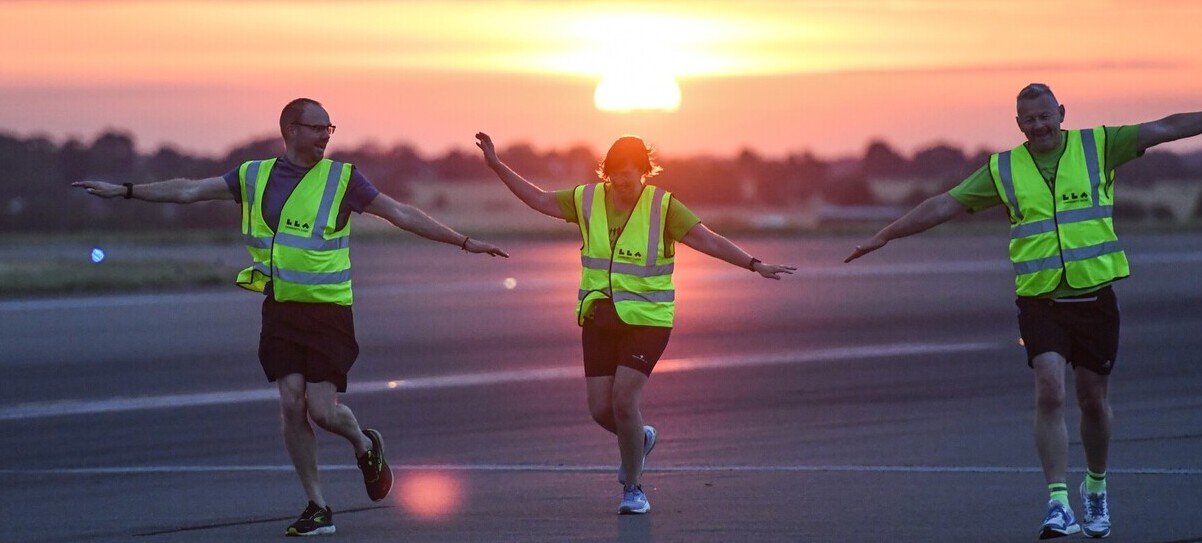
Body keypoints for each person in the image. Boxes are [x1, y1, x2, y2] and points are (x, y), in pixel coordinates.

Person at [843, 83, 1202, 539]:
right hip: (1040, 301)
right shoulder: (1004, 168)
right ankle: (1058, 502)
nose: (1039, 126)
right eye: (1028, 120)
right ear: (1018, 124)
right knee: (1049, 390)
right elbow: (944, 204)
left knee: (1093, 401)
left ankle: (1096, 486)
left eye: (1045, 116)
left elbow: (1164, 128)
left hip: (1095, 300)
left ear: (1061, 113)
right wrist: (885, 235)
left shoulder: (1099, 145)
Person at [73, 98, 509, 537]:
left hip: (329, 311)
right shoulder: (254, 175)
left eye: (329, 129)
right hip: (281, 307)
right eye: (318, 128)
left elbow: (399, 213)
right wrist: (126, 191)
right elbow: (189, 189)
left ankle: (363, 443)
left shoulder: (343, 179)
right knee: (289, 402)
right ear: (290, 130)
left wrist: (464, 241)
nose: (325, 136)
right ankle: (317, 505)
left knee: (322, 411)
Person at [475, 132, 795, 514]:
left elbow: (707, 240)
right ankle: (639, 439)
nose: (621, 181)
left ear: (644, 171)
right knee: (600, 409)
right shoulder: (588, 199)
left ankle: (634, 488)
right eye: (614, 174)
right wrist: (496, 166)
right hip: (599, 315)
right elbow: (539, 199)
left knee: (624, 401)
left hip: (647, 318)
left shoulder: (662, 206)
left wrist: (754, 264)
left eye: (628, 174)